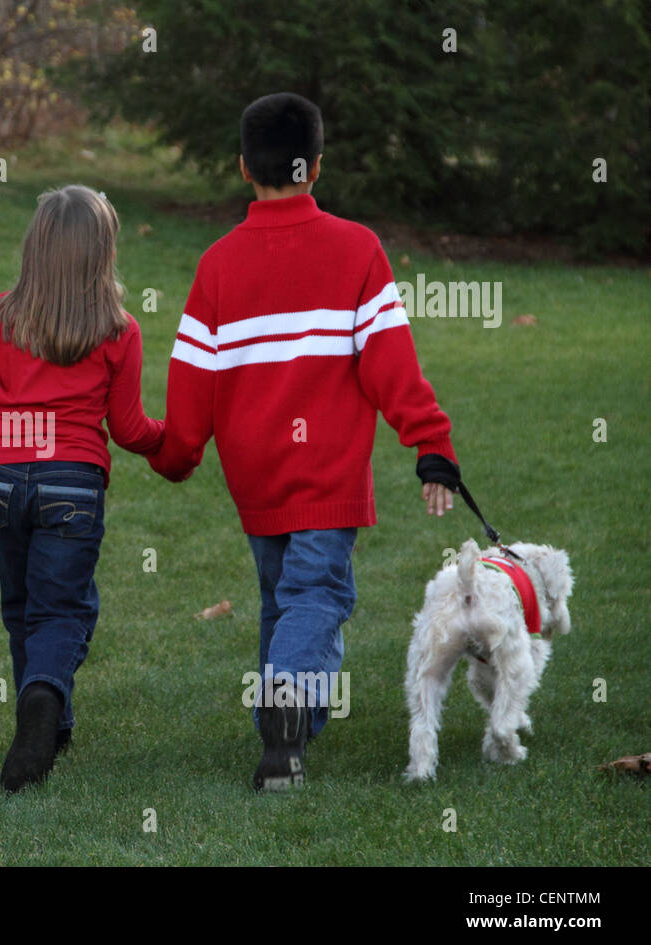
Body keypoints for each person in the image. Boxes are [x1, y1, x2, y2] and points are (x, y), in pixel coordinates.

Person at [148, 92, 461, 791]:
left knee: (283, 598)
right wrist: (430, 441)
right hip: (327, 471)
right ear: (315, 167)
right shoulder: (357, 249)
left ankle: (290, 729)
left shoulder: (218, 266)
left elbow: (191, 383)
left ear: (242, 167)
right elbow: (391, 365)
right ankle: (285, 731)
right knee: (314, 595)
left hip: (254, 473)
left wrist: (173, 454)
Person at [0, 185, 163, 792]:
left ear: (35, 247)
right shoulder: (119, 330)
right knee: (65, 609)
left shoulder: (2, 314)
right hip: (71, 482)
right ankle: (44, 705)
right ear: (103, 252)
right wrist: (169, 441)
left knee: (22, 605)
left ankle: (49, 725)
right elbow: (127, 429)